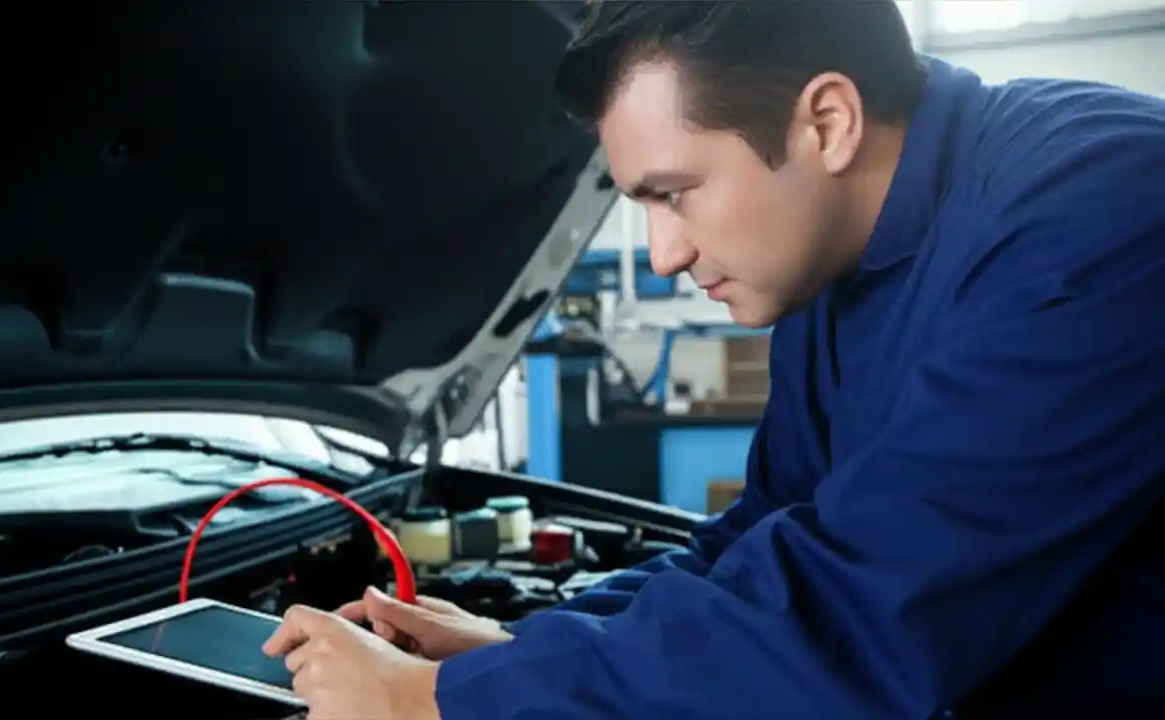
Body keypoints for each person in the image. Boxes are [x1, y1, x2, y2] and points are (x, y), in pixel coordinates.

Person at [261, 2, 1165, 718]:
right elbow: (764, 543)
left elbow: (856, 618)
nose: (664, 254)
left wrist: (438, 704)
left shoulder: (1101, 212)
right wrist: (526, 650)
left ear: (828, 121)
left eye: (675, 193)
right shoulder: (835, 266)